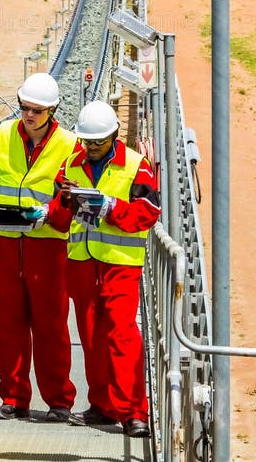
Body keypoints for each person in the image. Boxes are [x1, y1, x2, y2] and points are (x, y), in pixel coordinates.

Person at [0, 72, 79, 422]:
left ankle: (59, 401)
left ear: (52, 111)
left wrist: (49, 213)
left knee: (51, 327)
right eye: (24, 108)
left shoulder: (70, 145)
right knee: (6, 325)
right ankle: (13, 398)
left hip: (48, 248)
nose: (29, 115)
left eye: (37, 111)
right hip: (5, 245)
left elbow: (71, 197)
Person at [48, 100, 161, 438]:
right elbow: (58, 221)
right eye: (87, 141)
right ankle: (102, 405)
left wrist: (110, 208)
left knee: (121, 335)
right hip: (82, 262)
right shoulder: (71, 165)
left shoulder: (136, 166)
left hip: (119, 262)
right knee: (92, 335)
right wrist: (63, 201)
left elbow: (148, 213)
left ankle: (134, 412)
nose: (92, 147)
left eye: (98, 141)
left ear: (114, 135)